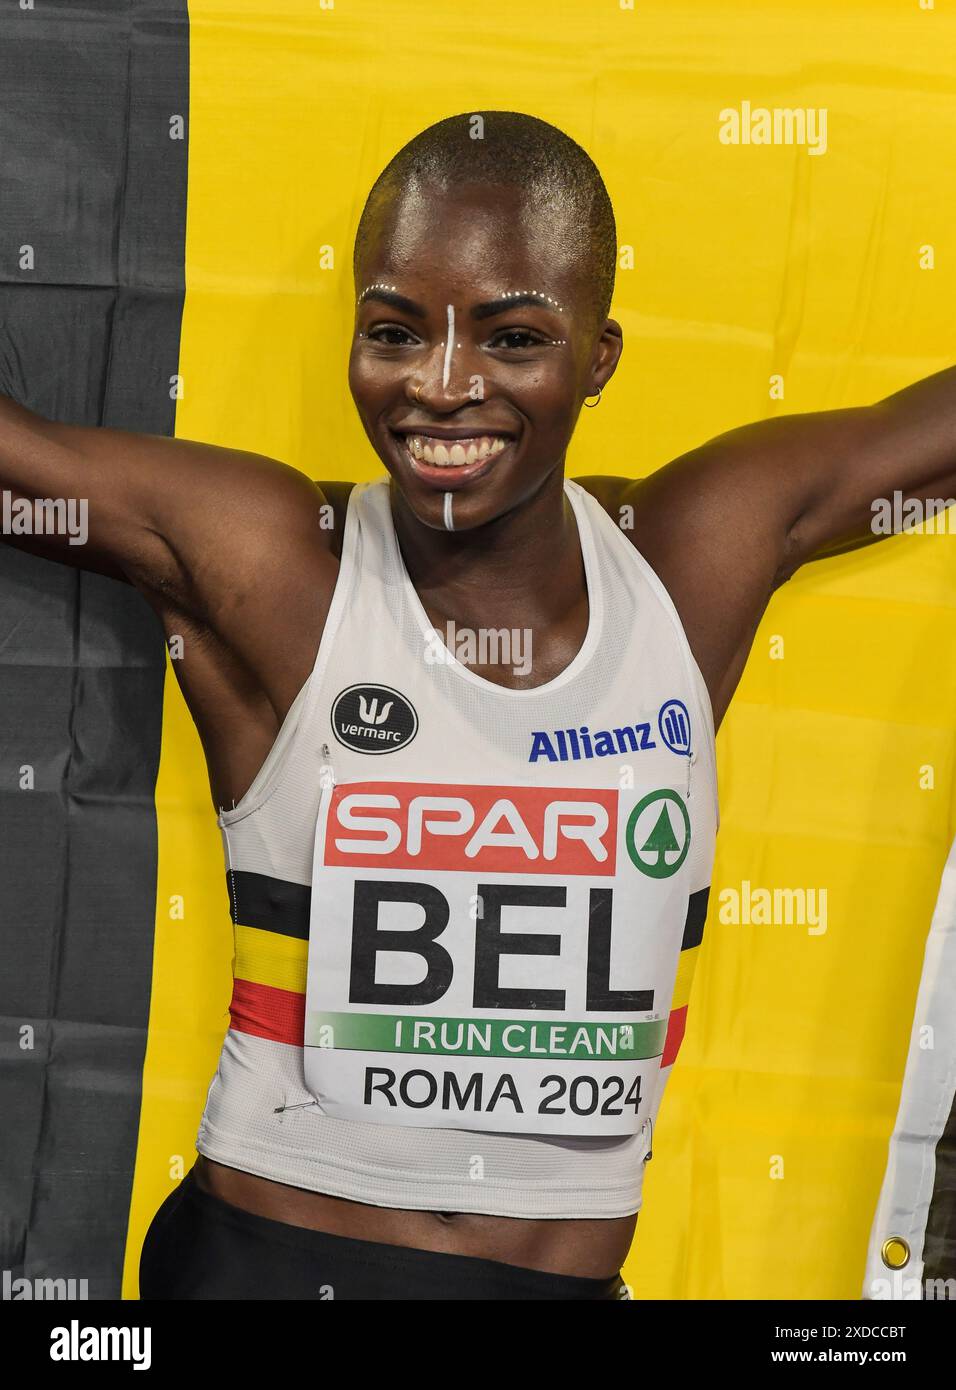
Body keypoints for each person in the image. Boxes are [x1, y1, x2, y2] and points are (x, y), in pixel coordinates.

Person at [1, 109, 953, 1301]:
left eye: (510, 339)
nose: (441, 385)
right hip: (270, 1264)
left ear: (597, 358)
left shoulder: (687, 561)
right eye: (393, 330)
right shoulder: (279, 563)